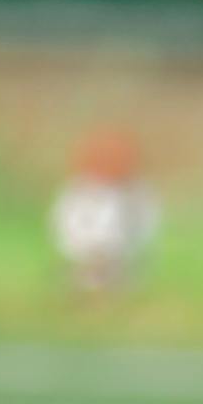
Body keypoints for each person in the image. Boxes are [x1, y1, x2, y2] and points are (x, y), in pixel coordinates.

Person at [49, 125, 158, 297]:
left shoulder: (138, 193)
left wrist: (117, 252)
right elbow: (67, 227)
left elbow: (144, 230)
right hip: (86, 257)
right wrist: (88, 250)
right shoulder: (76, 192)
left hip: (120, 260)